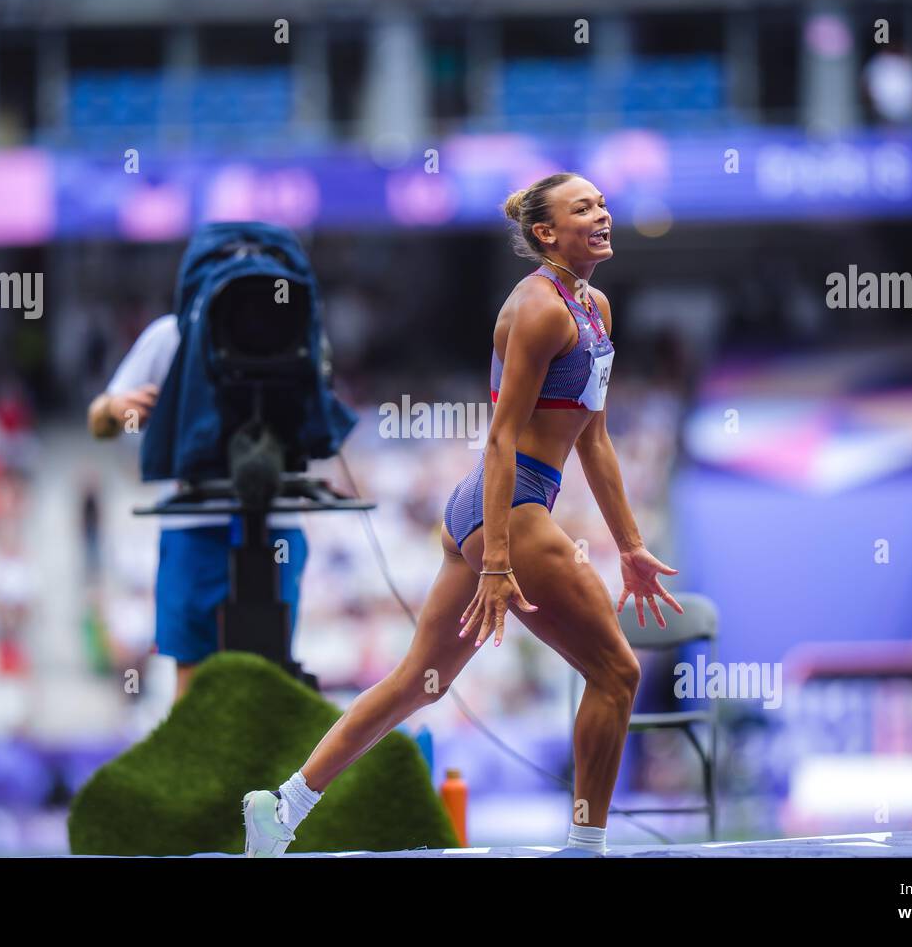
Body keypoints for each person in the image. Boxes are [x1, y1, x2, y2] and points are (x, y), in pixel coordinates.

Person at [243, 173, 683, 857]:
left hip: (487, 510)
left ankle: (282, 808)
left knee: (423, 680)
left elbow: (593, 438)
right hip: (509, 507)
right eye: (583, 208)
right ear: (545, 232)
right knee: (617, 673)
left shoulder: (594, 306)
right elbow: (502, 438)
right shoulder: (537, 309)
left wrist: (629, 545)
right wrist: (499, 561)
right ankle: (585, 846)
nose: (602, 214)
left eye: (601, 203)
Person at [87, 314, 307, 703]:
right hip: (192, 524)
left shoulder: (295, 326)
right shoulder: (172, 334)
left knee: (269, 679)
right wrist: (117, 410)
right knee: (193, 677)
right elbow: (98, 421)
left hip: (276, 519)